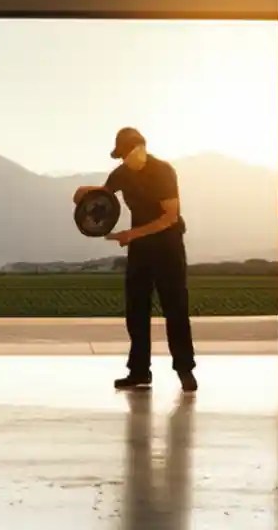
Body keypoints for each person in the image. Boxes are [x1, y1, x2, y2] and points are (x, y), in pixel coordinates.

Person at [74, 127, 197, 392]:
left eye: (127, 153)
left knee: (175, 307)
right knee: (136, 310)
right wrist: (85, 193)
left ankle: (185, 370)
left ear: (140, 148)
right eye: (121, 156)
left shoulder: (163, 171)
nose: (124, 159)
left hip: (168, 245)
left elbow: (170, 217)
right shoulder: (122, 173)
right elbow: (103, 196)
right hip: (140, 248)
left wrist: (131, 234)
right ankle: (139, 371)